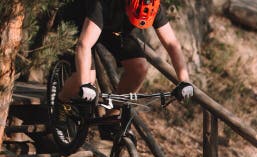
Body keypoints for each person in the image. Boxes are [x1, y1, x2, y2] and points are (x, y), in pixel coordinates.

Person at [54, 0, 194, 139]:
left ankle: (111, 117)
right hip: (79, 23)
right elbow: (84, 44)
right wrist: (86, 84)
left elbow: (172, 44)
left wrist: (184, 81)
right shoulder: (102, 4)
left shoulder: (152, 5)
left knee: (139, 68)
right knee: (86, 78)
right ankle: (61, 104)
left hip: (112, 29)